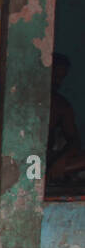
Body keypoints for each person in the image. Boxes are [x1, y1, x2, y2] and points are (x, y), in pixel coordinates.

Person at [48, 52, 85, 184]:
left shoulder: (61, 105)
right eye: (55, 76)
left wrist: (62, 159)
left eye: (61, 77)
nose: (58, 81)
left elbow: (75, 141)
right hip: (28, 158)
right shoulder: (25, 99)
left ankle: (50, 175)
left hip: (51, 160)